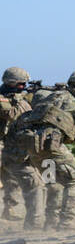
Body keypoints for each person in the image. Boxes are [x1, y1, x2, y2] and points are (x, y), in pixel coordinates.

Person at [9, 70, 75, 229]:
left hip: (33, 147)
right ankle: (66, 222)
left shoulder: (50, 95)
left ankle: (50, 222)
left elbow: (36, 97)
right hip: (50, 145)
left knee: (53, 183)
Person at [0, 67, 34, 223]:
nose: (23, 87)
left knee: (11, 179)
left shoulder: (16, 97)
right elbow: (13, 114)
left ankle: (9, 210)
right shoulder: (3, 99)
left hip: (9, 145)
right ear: (11, 83)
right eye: (21, 84)